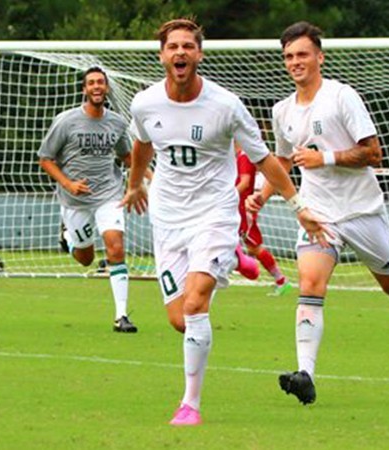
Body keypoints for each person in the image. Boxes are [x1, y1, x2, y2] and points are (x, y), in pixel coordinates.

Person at [120, 18, 326, 426]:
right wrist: (135, 185)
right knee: (180, 320)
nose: (180, 52)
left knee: (196, 303)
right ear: (162, 56)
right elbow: (142, 144)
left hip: (214, 214)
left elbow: (266, 159)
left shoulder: (226, 105)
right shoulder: (145, 103)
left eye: (187, 46)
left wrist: (297, 204)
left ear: (199, 53)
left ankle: (189, 405)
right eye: (173, 46)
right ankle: (229, 260)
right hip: (168, 218)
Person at [247, 21, 389, 406]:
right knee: (310, 283)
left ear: (320, 57)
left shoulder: (342, 97)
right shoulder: (282, 110)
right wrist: (261, 195)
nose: (295, 62)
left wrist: (325, 158)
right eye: (289, 56)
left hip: (361, 210)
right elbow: (283, 160)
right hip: (318, 213)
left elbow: (373, 153)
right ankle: (306, 374)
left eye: (302, 54)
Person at [38, 67, 139, 333]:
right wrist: (69, 184)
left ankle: (121, 316)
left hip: (109, 194)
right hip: (75, 200)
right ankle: (69, 239)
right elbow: (45, 159)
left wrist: (150, 178)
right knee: (86, 258)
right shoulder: (66, 121)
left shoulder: (117, 122)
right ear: (84, 89)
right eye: (91, 83)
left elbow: (127, 157)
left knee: (115, 247)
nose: (96, 86)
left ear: (106, 88)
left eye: (100, 82)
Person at [235, 147, 291, 295]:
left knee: (254, 247)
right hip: (236, 207)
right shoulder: (237, 155)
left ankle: (281, 280)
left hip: (243, 209)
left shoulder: (244, 155)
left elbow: (245, 183)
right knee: (246, 245)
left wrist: (227, 195)